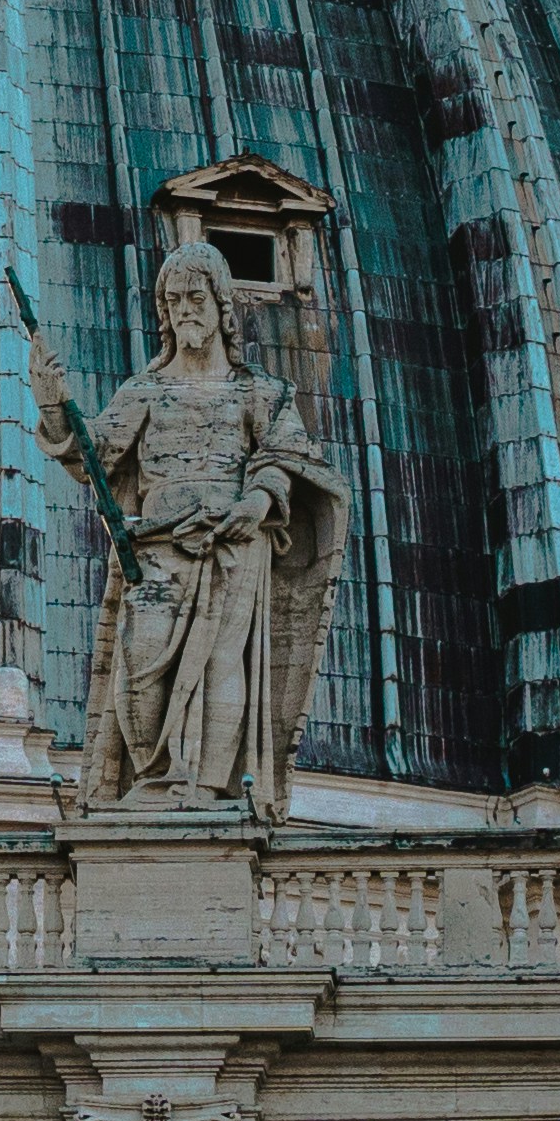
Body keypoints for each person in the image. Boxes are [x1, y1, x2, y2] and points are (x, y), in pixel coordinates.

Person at [46, 256, 347, 811]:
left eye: (195, 299)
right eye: (174, 301)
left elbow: (284, 455)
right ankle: (152, 780)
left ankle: (206, 786)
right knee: (141, 654)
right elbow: (96, 453)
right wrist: (53, 406)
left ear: (220, 307)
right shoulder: (145, 389)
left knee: (220, 661)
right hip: (158, 542)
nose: (184, 310)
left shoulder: (260, 390)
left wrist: (257, 500)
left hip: (233, 541)